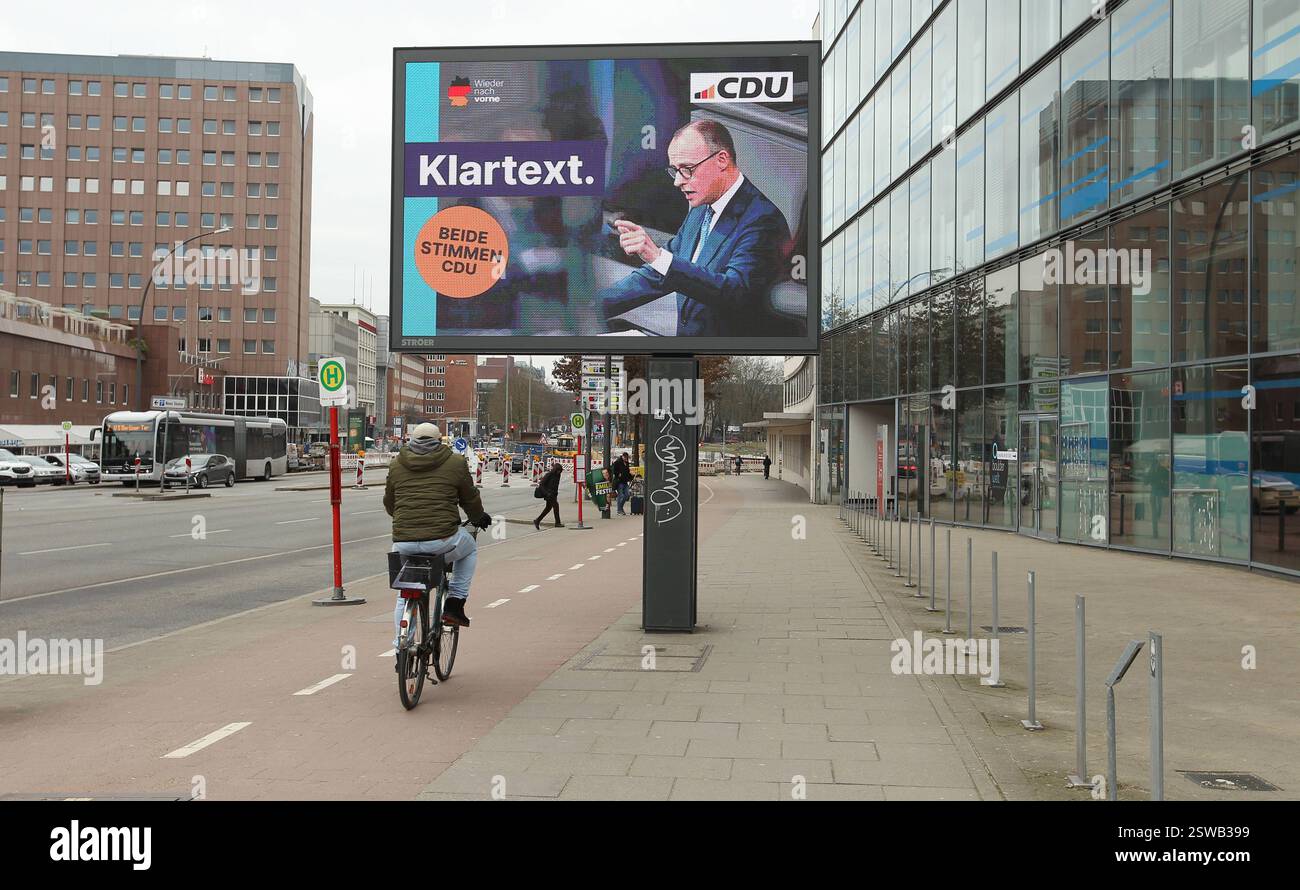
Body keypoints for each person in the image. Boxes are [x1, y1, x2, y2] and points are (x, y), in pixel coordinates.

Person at [598, 119, 791, 337]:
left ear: (721, 160)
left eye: (687, 169)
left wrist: (657, 256)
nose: (677, 181)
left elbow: (732, 292)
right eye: (675, 171)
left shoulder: (763, 220)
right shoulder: (701, 208)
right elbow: (660, 273)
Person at [384, 422, 491, 636]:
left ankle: (401, 648)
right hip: (442, 540)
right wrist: (479, 517)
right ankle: (454, 604)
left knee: (404, 594)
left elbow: (390, 502)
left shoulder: (396, 464)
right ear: (440, 440)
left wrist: (406, 520)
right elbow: (469, 499)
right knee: (469, 548)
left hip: (403, 542)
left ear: (411, 440)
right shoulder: (455, 462)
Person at [534, 462, 564, 529]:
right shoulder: (549, 474)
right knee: (556, 506)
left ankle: (537, 520)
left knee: (548, 508)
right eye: (558, 470)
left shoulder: (558, 475)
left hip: (553, 494)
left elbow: (556, 485)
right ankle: (557, 523)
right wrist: (546, 493)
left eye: (560, 471)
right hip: (548, 494)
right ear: (555, 469)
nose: (559, 472)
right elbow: (541, 484)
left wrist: (555, 493)